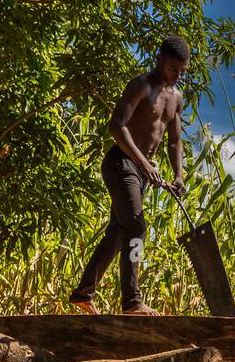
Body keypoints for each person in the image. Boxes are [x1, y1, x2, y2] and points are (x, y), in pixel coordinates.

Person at [69, 35, 190, 316]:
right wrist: (143, 163)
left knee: (118, 232)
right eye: (174, 70)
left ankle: (83, 292)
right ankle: (132, 302)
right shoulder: (141, 86)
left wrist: (179, 175)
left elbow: (174, 141)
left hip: (142, 171)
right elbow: (116, 126)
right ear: (160, 60)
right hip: (120, 163)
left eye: (183, 72)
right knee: (136, 228)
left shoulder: (176, 99)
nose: (178, 76)